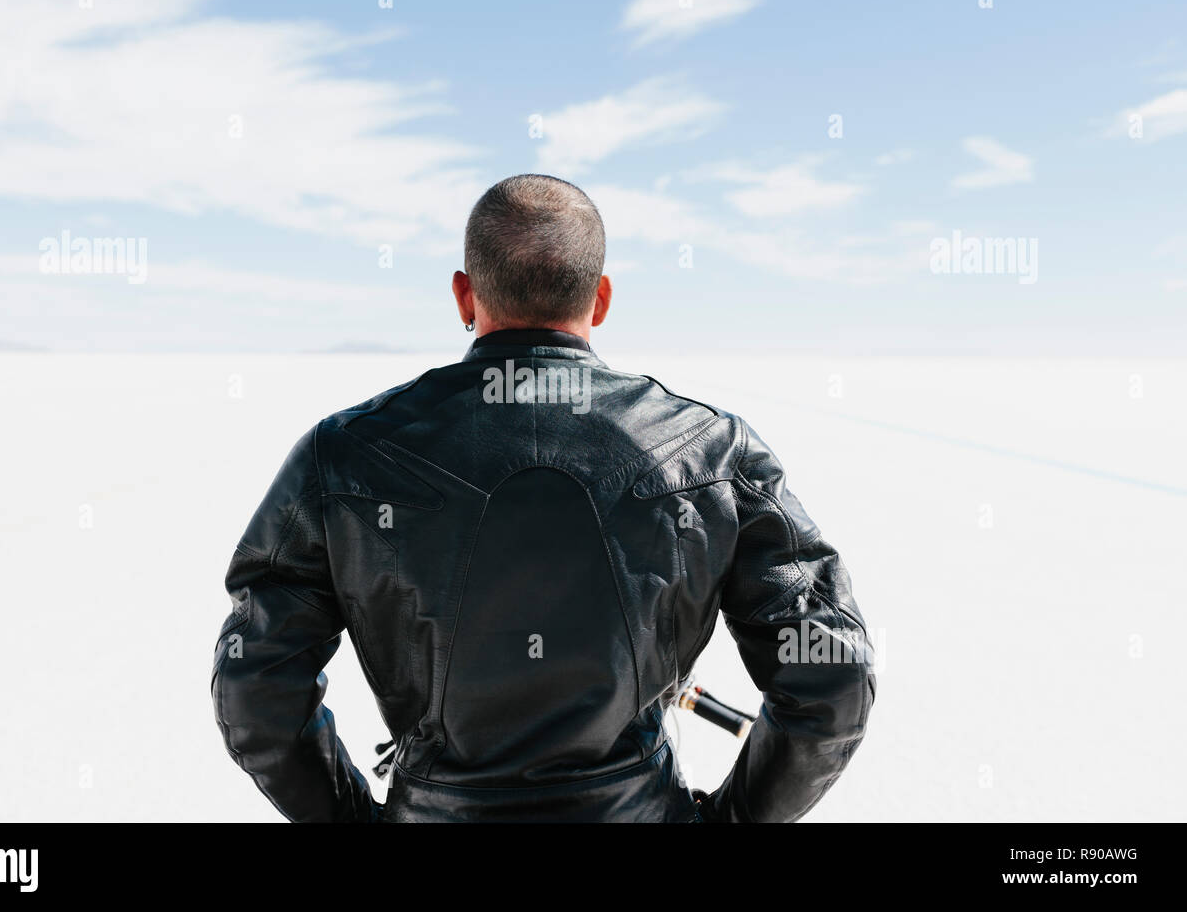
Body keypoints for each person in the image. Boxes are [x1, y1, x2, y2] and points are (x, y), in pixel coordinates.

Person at [211, 173, 876, 822]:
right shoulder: (710, 449)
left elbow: (256, 686)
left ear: (464, 296)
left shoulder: (345, 452)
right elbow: (833, 675)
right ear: (602, 299)